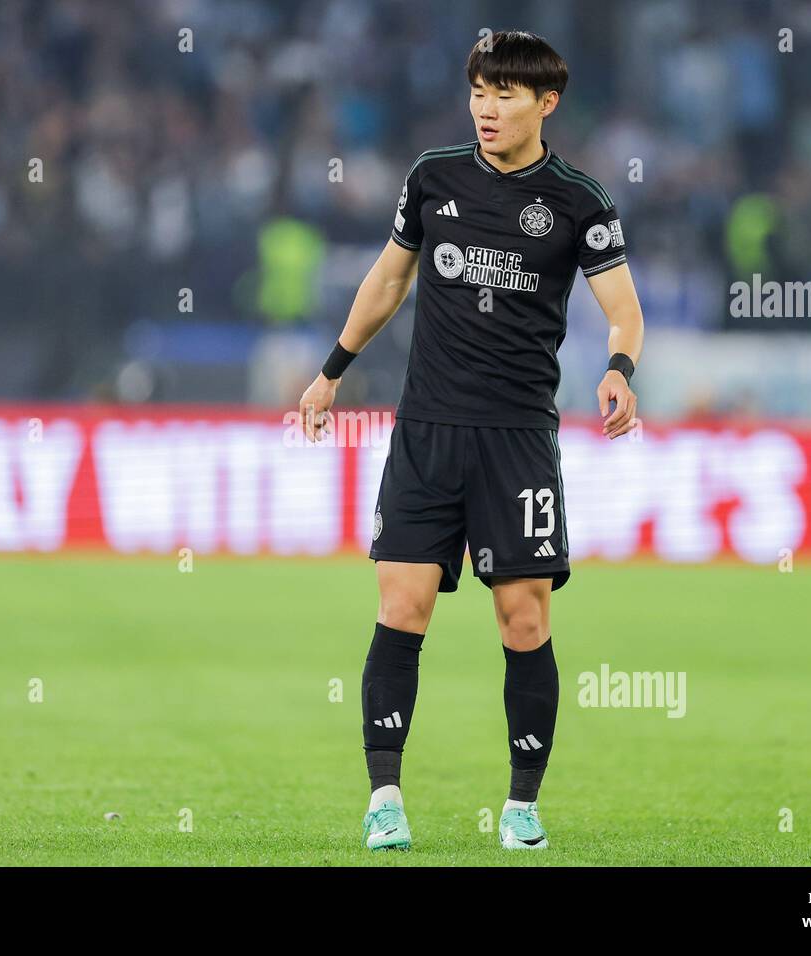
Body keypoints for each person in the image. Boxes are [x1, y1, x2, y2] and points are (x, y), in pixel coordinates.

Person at [298, 30, 644, 851]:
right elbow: (388, 278)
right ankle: (385, 796)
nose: (486, 109)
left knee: (523, 621)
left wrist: (621, 369)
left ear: (545, 103)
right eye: (478, 92)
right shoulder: (432, 179)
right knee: (401, 606)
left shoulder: (580, 200)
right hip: (427, 431)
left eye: (505, 95)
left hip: (518, 437)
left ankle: (522, 805)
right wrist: (332, 369)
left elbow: (623, 309)